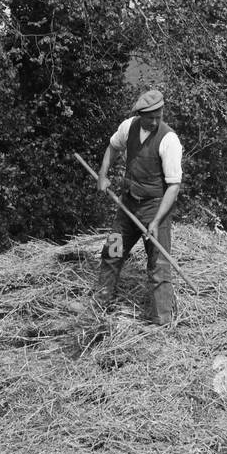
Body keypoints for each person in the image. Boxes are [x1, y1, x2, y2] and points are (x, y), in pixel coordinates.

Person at [93, 89, 183, 325]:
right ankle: (100, 302)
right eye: (149, 116)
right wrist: (103, 175)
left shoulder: (169, 140)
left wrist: (155, 222)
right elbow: (113, 147)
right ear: (140, 114)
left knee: (158, 266)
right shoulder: (128, 127)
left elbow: (173, 187)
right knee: (112, 252)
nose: (154, 121)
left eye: (159, 115)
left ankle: (162, 321)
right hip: (128, 205)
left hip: (156, 208)